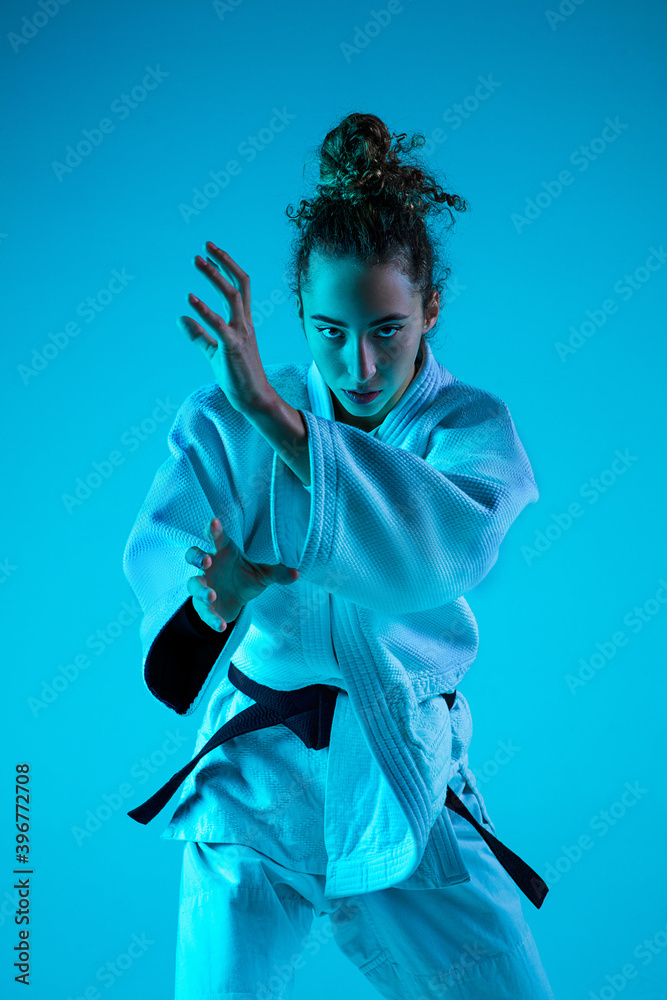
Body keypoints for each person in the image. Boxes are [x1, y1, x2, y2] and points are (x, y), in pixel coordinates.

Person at [123, 112, 556, 999]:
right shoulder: (220, 419)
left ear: (430, 307)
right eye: (328, 331)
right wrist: (218, 603)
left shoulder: (470, 431)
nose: (357, 364)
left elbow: (437, 558)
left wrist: (280, 423)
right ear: (297, 315)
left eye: (386, 330)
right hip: (253, 780)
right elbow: (169, 612)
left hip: (396, 759)